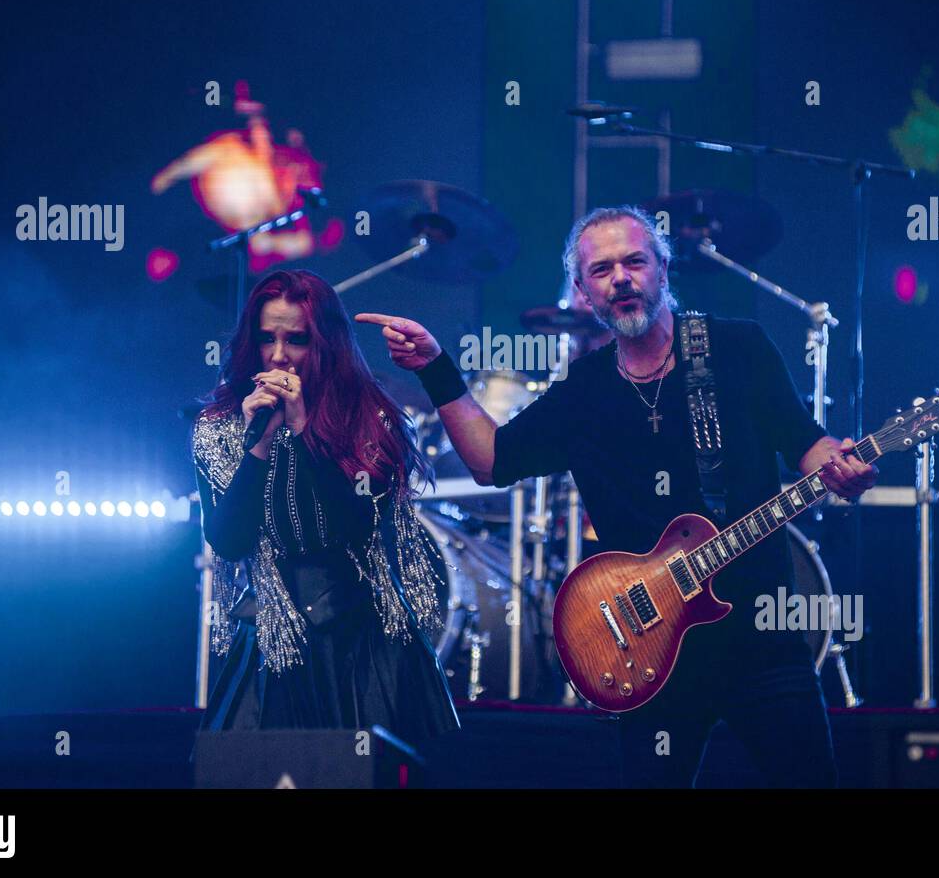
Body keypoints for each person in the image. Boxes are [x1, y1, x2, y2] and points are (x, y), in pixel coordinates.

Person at [357, 205, 876, 788]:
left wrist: (837, 466)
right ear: (582, 291)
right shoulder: (585, 392)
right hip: (648, 647)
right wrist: (436, 369)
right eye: (601, 271)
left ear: (662, 269)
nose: (621, 279)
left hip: (761, 637)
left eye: (634, 262)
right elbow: (490, 461)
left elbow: (804, 441)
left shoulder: (737, 348)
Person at [191, 269, 458, 742]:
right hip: (271, 639)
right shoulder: (220, 427)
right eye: (266, 339)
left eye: (296, 340)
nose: (278, 357)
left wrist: (304, 430)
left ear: (326, 345)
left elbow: (357, 525)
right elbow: (229, 541)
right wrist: (259, 444)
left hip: (365, 642)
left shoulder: (370, 419)